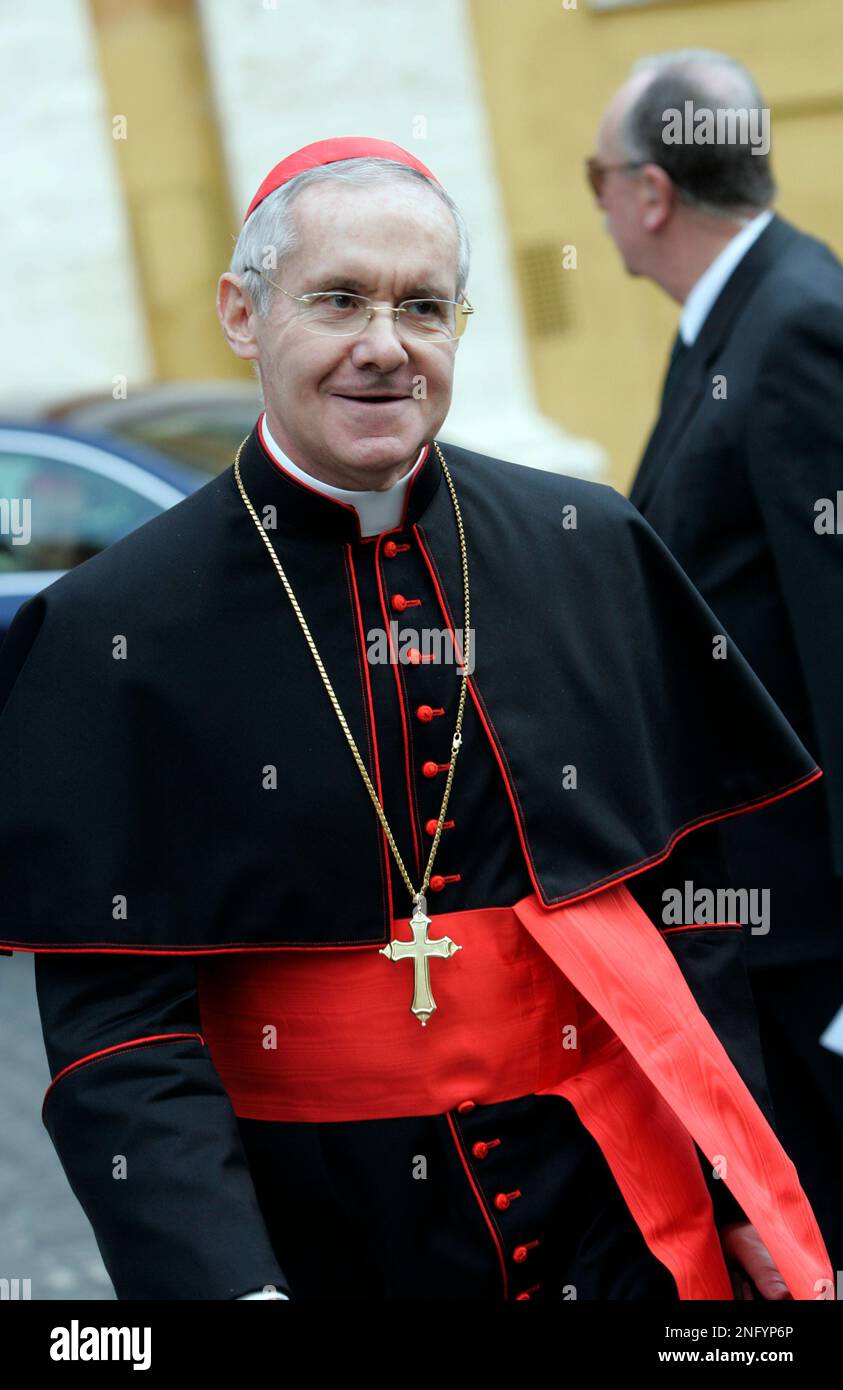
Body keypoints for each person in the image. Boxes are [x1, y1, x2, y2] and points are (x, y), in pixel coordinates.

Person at [0, 137, 833, 1302]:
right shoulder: (112, 628)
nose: (384, 347)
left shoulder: (582, 545)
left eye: (423, 308)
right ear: (243, 313)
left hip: (621, 1215)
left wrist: (738, 1180)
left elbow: (691, 917)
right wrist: (227, 1284)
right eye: (338, 299)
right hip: (319, 1235)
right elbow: (121, 1035)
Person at [592, 50, 843, 1271]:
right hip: (762, 915)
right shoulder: (736, 319)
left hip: (813, 928)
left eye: (596, 177)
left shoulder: (798, 325)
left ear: (648, 193)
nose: (596, 204)